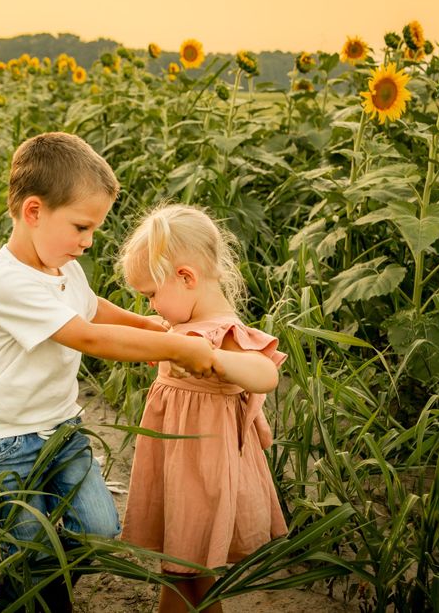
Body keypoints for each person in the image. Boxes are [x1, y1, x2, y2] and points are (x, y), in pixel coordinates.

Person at [0, 132, 222, 612]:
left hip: (61, 428)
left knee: (99, 530)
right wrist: (170, 347)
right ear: (34, 212)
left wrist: (146, 323)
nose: (89, 241)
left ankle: (44, 584)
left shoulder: (60, 264)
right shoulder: (8, 281)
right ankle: (30, 597)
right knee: (24, 553)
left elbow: (92, 309)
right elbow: (87, 337)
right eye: (82, 226)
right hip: (4, 441)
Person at [118, 204, 288, 613]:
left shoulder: (220, 335)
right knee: (186, 567)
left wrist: (214, 359)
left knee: (181, 568)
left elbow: (265, 374)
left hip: (201, 467)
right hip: (178, 461)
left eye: (151, 295)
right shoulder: (181, 329)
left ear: (186, 278)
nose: (151, 306)